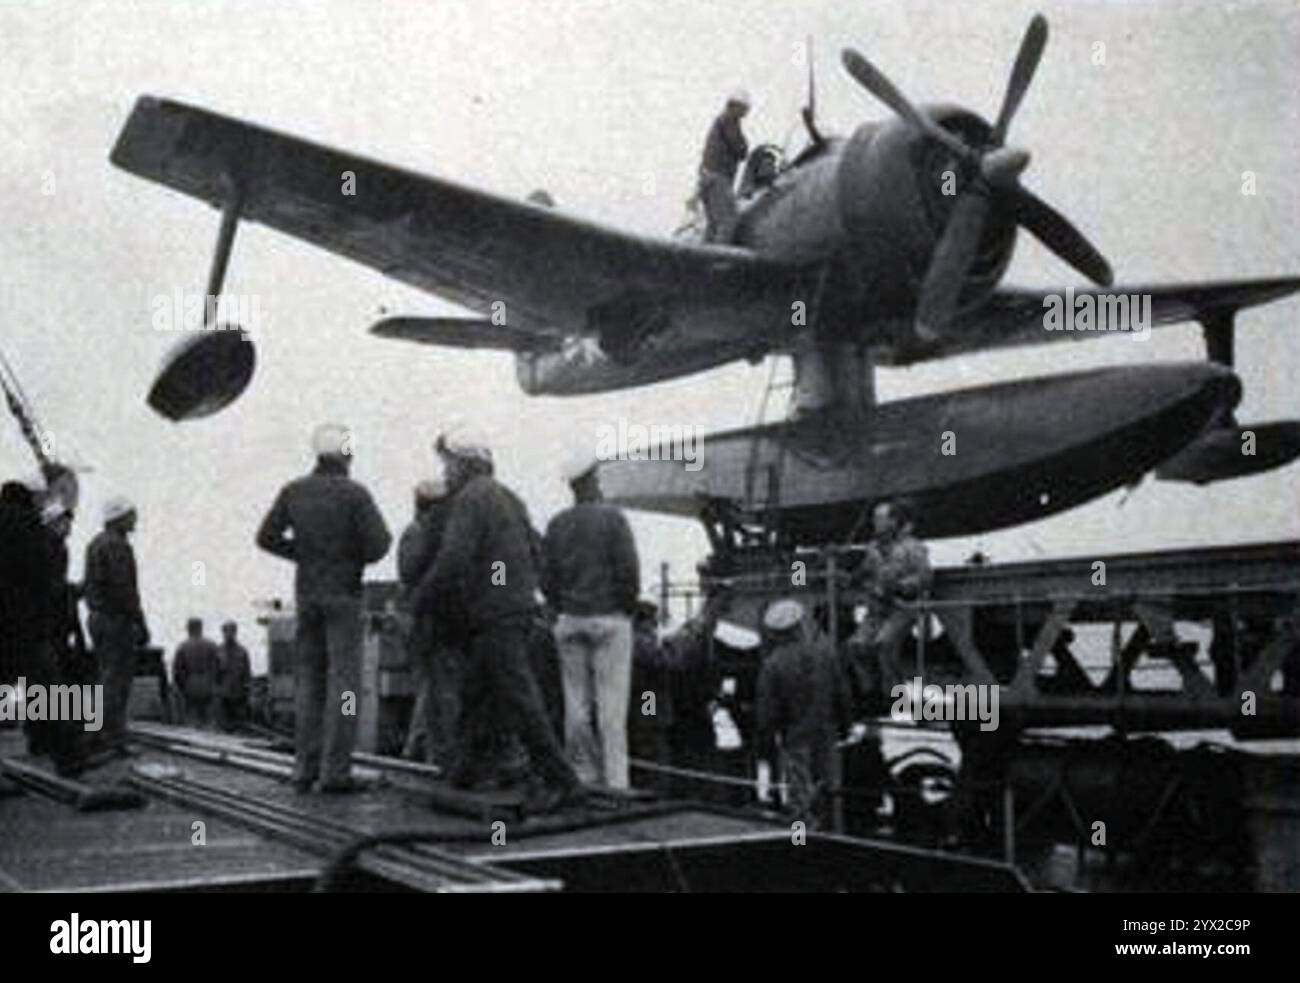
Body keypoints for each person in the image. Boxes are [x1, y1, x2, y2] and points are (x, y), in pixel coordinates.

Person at [413, 422, 583, 813]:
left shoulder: (471, 498)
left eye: (449, 464)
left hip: (495, 612)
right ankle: (462, 772)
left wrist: (423, 597)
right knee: (477, 694)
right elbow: (537, 550)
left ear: (465, 463)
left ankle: (563, 781)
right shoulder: (508, 497)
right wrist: (535, 592)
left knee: (520, 698)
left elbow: (455, 557)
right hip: (515, 609)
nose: (445, 472)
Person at [256, 423, 392, 793]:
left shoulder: (294, 491)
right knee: (345, 687)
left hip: (308, 596)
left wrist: (303, 553)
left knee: (309, 684)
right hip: (344, 596)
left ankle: (304, 769)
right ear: (345, 455)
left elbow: (265, 537)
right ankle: (335, 772)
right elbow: (379, 545)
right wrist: (348, 556)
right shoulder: (355, 494)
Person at [542, 450, 640, 790]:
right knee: (612, 707)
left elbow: (547, 579)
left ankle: (583, 776)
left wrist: (563, 605)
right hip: (609, 619)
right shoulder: (614, 519)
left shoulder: (557, 524)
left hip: (570, 619)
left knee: (576, 705)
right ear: (593, 480)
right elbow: (628, 572)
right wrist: (626, 608)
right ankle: (616, 781)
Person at [755, 598, 851, 829]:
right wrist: (846, 725)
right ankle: (835, 837)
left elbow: (767, 713)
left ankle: (802, 842)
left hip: (796, 740)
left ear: (776, 633)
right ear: (799, 625)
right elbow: (843, 694)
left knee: (801, 803)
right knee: (831, 793)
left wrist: (766, 742)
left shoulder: (773, 664)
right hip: (827, 735)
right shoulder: (826, 654)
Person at [396, 477, 457, 764]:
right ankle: (428, 748)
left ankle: (421, 745)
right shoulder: (420, 533)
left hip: (419, 615)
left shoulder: (417, 532)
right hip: (420, 617)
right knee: (433, 685)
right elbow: (411, 573)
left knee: (430, 686)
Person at [848, 499, 932, 702]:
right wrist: (853, 577)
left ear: (894, 521)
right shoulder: (873, 548)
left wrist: (900, 587)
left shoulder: (913, 547)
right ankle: (870, 691)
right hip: (877, 609)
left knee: (884, 644)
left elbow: (924, 576)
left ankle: (894, 693)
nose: (875, 522)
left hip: (902, 607)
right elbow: (865, 571)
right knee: (855, 646)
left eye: (880, 518)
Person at [84, 495, 150, 750]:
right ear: (119, 518)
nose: (135, 519)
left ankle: (99, 734)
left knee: (106, 676)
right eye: (131, 515)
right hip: (115, 620)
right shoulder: (117, 546)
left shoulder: (96, 543)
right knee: (117, 680)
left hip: (99, 618)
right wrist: (140, 622)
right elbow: (124, 589)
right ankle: (112, 738)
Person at [697, 89, 751, 243]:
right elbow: (740, 149)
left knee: (713, 225)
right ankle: (718, 255)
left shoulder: (721, 120)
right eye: (745, 108)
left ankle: (704, 254)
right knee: (728, 220)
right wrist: (745, 145)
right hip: (718, 178)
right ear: (736, 106)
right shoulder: (729, 120)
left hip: (707, 178)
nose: (746, 112)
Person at [173, 618, 220, 729]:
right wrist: (215, 683)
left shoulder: (183, 646)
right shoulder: (212, 645)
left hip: (190, 684)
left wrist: (182, 686)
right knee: (209, 719)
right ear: (201, 628)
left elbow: (177, 670)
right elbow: (219, 667)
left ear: (189, 629)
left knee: (192, 718)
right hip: (208, 684)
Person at [215, 620, 252, 731]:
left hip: (239, 694)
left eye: (231, 631)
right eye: (226, 631)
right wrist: (217, 691)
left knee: (239, 724)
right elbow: (215, 673)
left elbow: (247, 672)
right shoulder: (218, 651)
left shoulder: (242, 651)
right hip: (223, 694)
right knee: (224, 725)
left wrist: (247, 690)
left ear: (235, 633)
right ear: (223, 633)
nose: (229, 634)